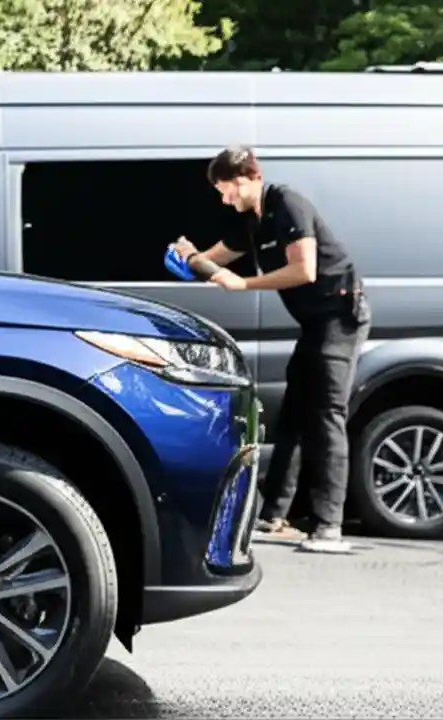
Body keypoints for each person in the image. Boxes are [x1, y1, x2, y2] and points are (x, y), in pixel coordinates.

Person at [170, 145, 371, 554]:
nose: (224, 199)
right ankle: (273, 517)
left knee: (326, 417)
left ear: (248, 179)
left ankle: (329, 528)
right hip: (314, 324)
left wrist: (243, 284)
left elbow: (304, 269)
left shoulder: (287, 203)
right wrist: (188, 257)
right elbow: (213, 261)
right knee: (294, 415)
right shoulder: (252, 222)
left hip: (340, 318)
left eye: (226, 190)